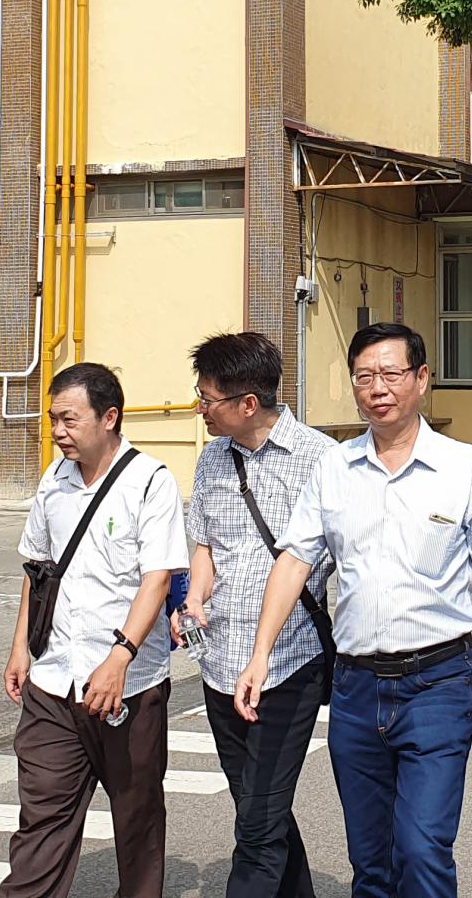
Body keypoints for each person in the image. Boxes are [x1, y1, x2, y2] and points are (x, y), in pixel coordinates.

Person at [236, 323, 472, 898]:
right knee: (370, 862)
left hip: (438, 683)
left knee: (421, 850)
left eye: (391, 374)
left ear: (421, 379)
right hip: (356, 687)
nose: (378, 388)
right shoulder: (334, 468)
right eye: (364, 377)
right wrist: (260, 655)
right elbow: (295, 561)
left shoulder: (462, 466)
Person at [2, 363, 188, 898]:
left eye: (69, 419)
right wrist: (20, 649)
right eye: (52, 419)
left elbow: (156, 580)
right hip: (54, 681)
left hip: (127, 685)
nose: (58, 430)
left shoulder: (150, 482)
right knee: (41, 819)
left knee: (137, 820)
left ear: (109, 417)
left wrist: (121, 655)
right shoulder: (53, 481)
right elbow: (38, 570)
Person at [178, 331, 339, 898]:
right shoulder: (212, 459)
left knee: (257, 824)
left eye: (208, 400)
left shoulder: (321, 459)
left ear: (248, 403)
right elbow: (205, 544)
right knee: (255, 803)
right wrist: (195, 599)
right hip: (220, 660)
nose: (200, 409)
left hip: (289, 664)